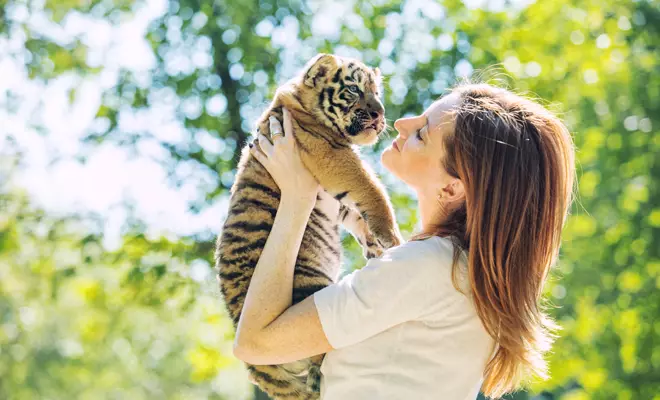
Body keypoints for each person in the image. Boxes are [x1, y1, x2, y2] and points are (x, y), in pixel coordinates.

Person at [232, 83, 575, 399]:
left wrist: (298, 197)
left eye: (422, 133)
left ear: (453, 187)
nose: (401, 124)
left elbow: (255, 342)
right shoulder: (465, 274)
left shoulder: (425, 267)